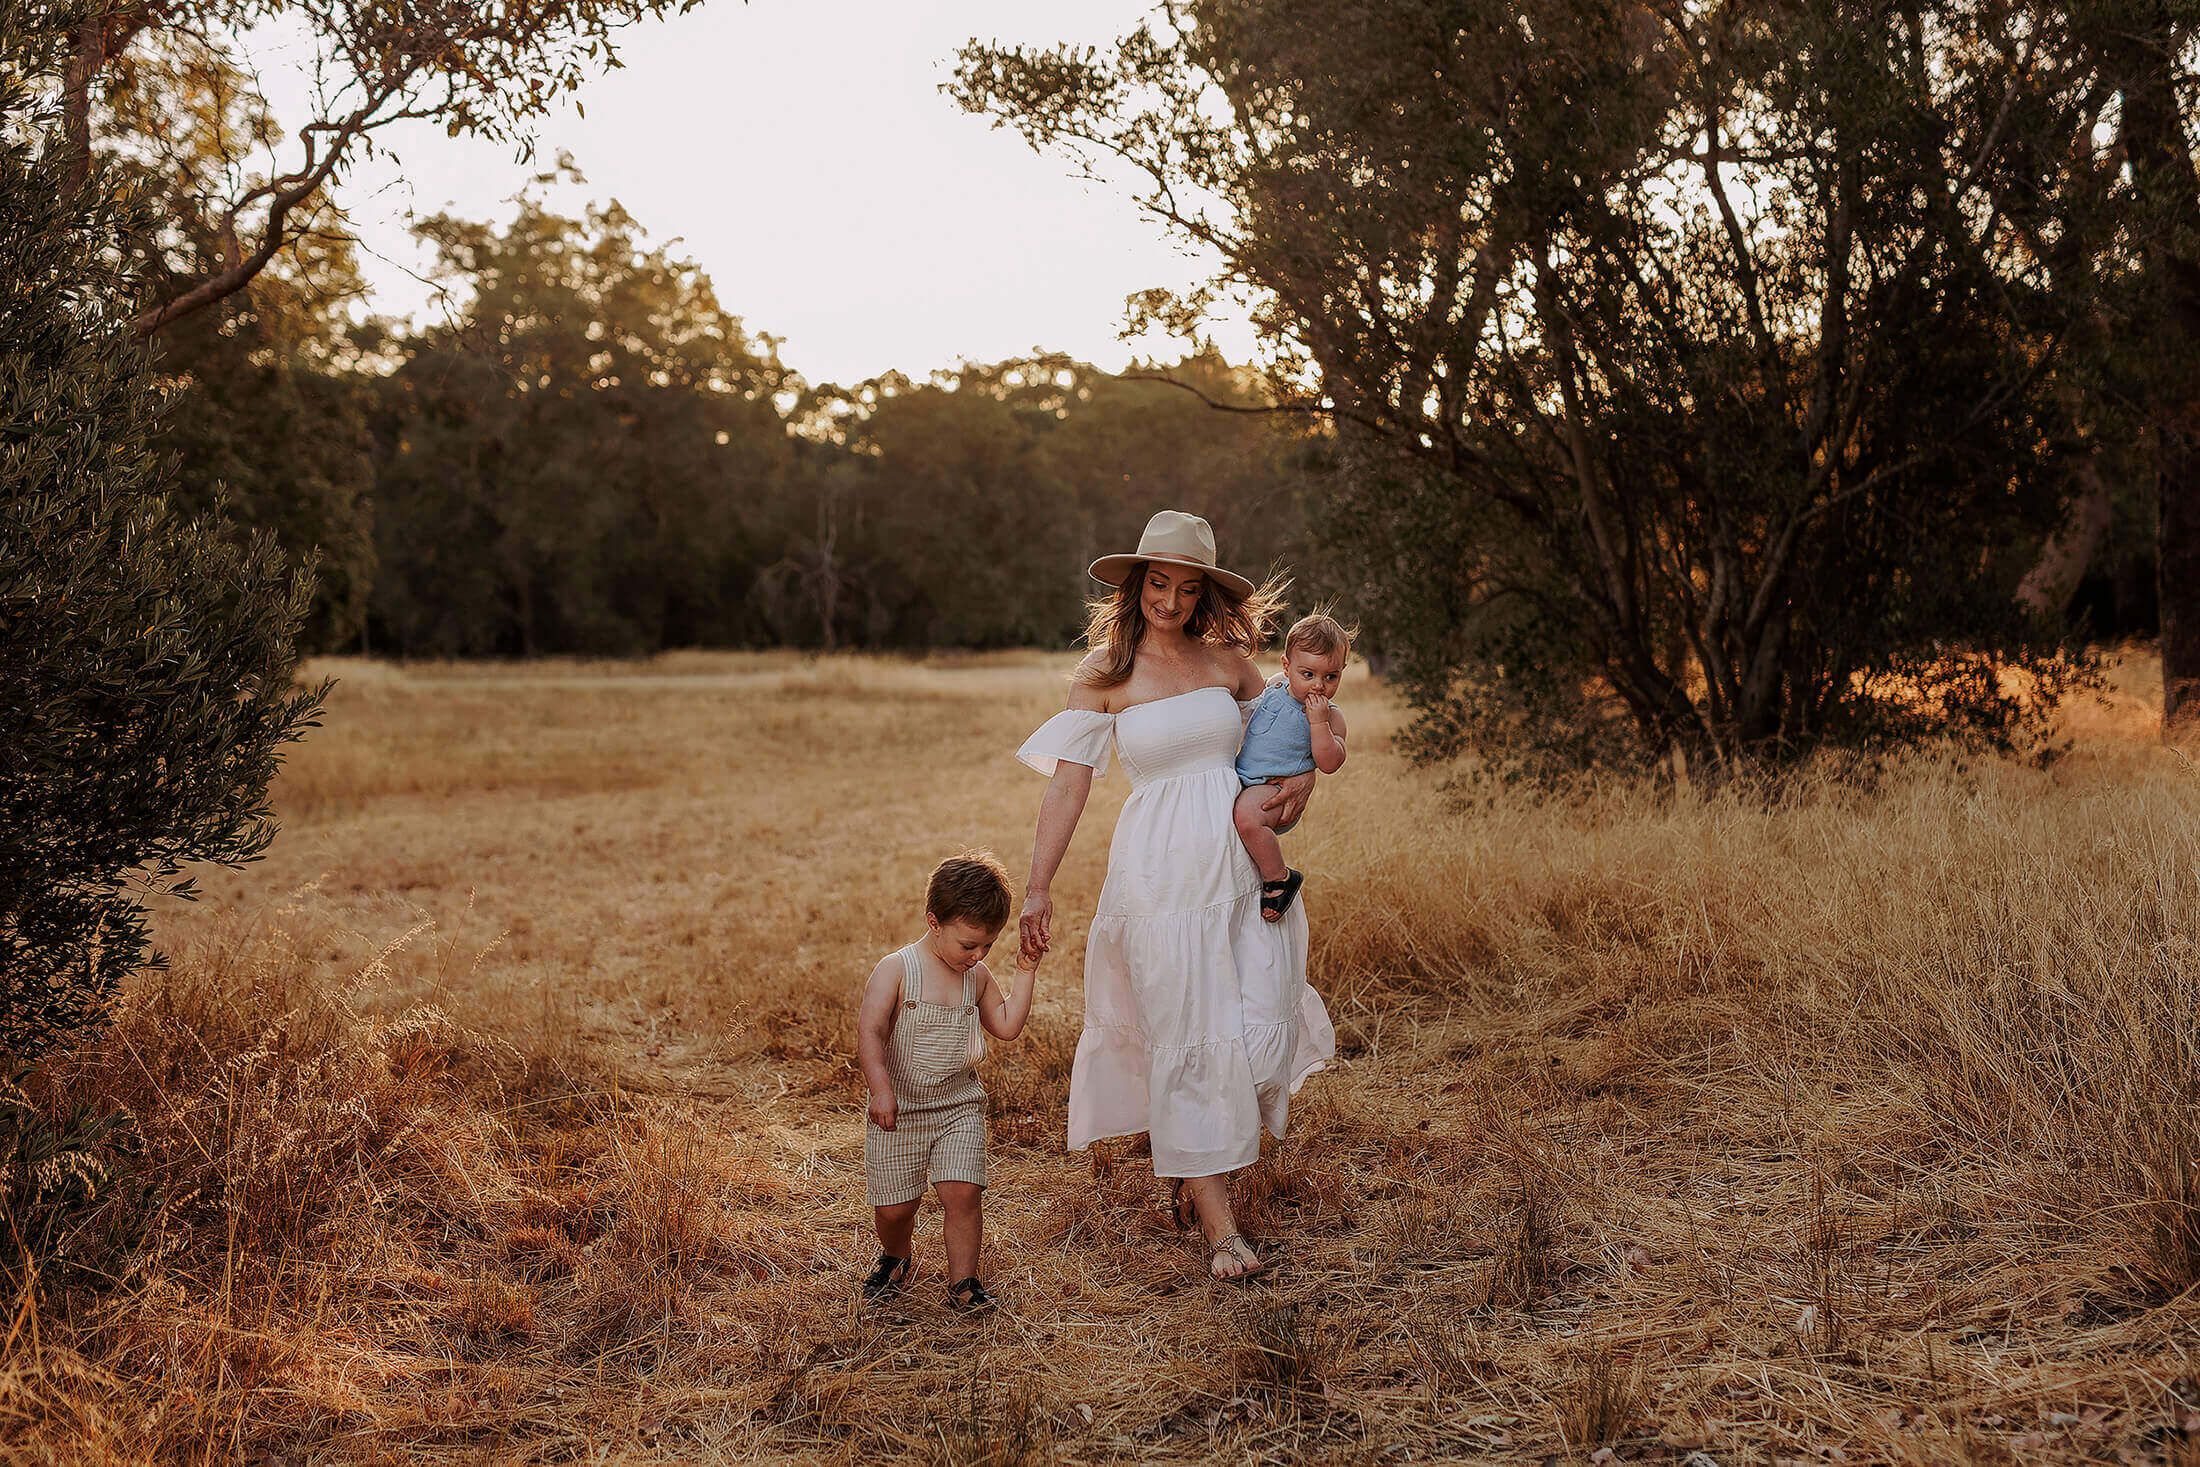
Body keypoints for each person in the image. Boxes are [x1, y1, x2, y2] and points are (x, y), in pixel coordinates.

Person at [1016, 509, 1336, 1282]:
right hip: (1159, 878)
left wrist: (1303, 783)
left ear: (1204, 594)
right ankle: (1221, 1228)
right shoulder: (1103, 674)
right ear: (1136, 584)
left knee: (1256, 1025)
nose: (1170, 600)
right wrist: (1037, 886)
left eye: (1187, 589)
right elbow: (1068, 786)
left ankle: (1192, 1164)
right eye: (1158, 583)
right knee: (1188, 1033)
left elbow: (1290, 726)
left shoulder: (1228, 661)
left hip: (1239, 869)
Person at [855, 851, 1039, 1312]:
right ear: (933, 922)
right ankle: (895, 1256)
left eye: (987, 946)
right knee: (895, 1208)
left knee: (963, 1193)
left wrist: (1026, 971)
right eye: (969, 945)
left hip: (959, 1108)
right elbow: (870, 1032)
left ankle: (964, 1283)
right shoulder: (897, 969)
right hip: (900, 1111)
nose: (977, 956)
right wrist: (880, 1090)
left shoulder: (976, 977)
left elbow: (1007, 1025)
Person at [1233, 612, 1351, 921]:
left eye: (1331, 677)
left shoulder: (1331, 716)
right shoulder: (1274, 687)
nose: (1318, 686)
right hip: (1244, 778)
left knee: (1247, 818)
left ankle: (1279, 879)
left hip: (1273, 788)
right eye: (1308, 674)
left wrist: (1318, 723)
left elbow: (1330, 763)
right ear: (1286, 667)